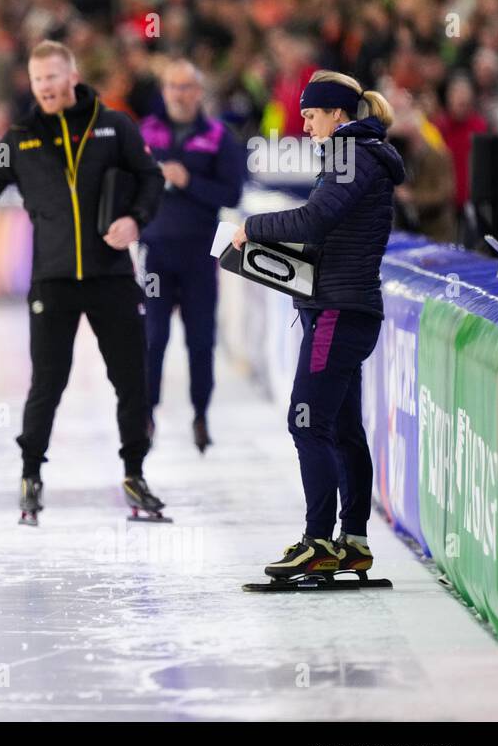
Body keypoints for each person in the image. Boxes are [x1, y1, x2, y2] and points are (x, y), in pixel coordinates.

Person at [0, 40, 165, 524]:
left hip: (112, 276)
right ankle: (31, 474)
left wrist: (136, 221)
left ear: (72, 75)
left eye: (54, 77)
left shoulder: (114, 125)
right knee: (47, 383)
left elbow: (151, 178)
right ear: (31, 84)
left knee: (130, 380)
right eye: (38, 80)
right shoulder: (19, 139)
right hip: (53, 281)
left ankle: (135, 473)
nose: (46, 87)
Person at [230, 70, 405, 581]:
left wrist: (251, 228)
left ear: (338, 115)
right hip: (345, 308)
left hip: (338, 311)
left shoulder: (351, 155)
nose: (304, 125)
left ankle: (319, 542)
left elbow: (314, 220)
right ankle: (352, 541)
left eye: (310, 115)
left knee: (307, 421)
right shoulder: (356, 154)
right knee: (343, 428)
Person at [138, 59, 245, 452]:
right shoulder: (144, 132)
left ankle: (201, 415)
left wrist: (189, 182)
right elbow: (126, 182)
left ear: (199, 92)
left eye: (187, 87)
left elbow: (232, 195)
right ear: (163, 91)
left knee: (201, 341)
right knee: (152, 338)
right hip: (156, 253)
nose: (179, 95)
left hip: (200, 253)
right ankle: (146, 416)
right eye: (172, 87)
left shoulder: (219, 136)